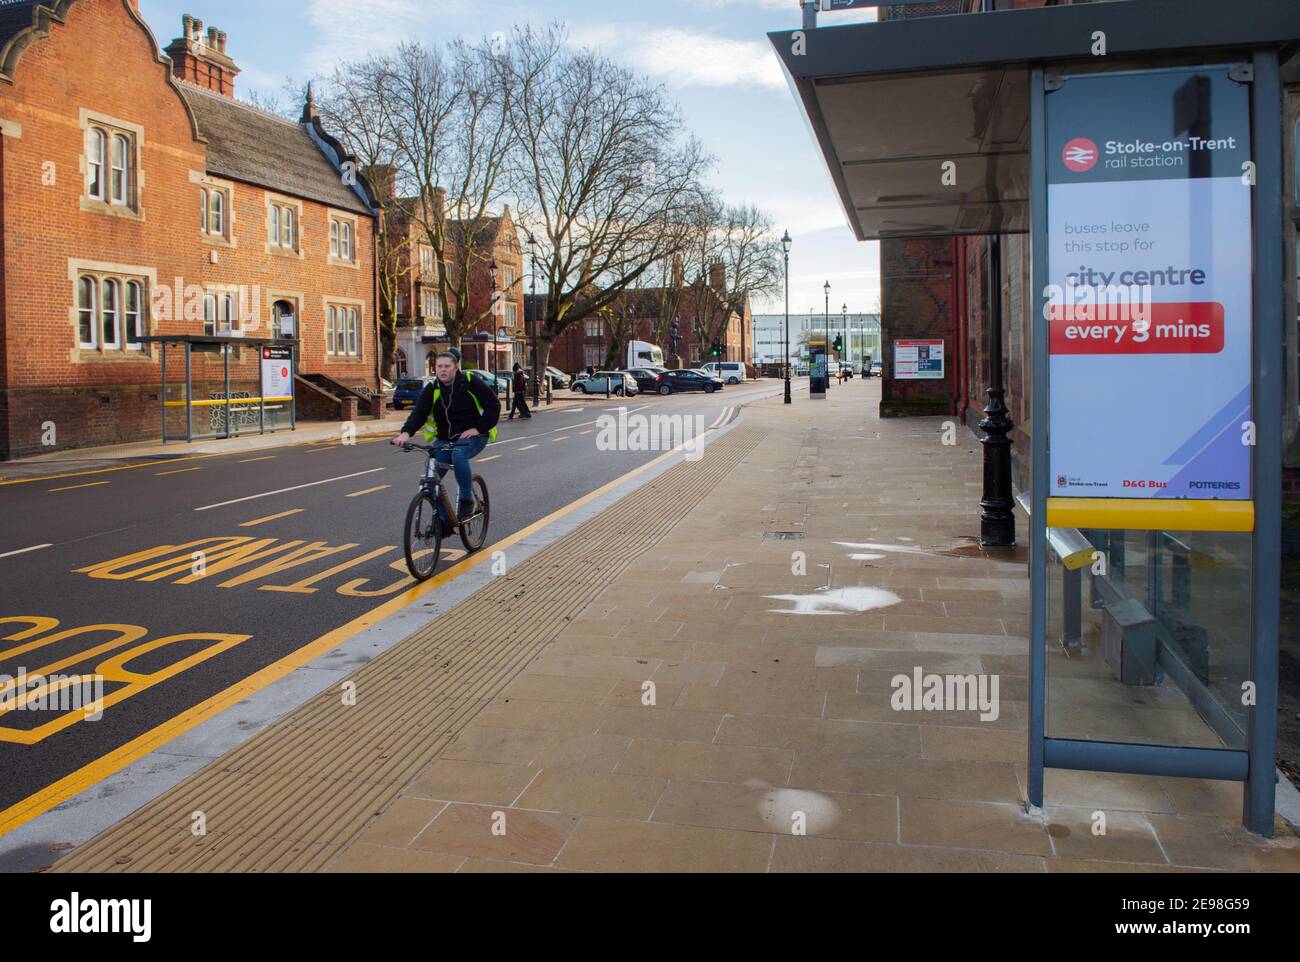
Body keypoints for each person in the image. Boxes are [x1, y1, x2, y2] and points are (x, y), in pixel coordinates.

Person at [392, 350, 499, 522]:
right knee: (430, 481)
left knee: (458, 454)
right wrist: (405, 434)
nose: (442, 370)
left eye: (447, 366)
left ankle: (466, 499)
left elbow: (493, 406)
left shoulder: (470, 382)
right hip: (444, 439)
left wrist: (478, 429)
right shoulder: (432, 389)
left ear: (456, 367)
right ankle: (444, 519)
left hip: (473, 437)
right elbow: (419, 414)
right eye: (439, 366)